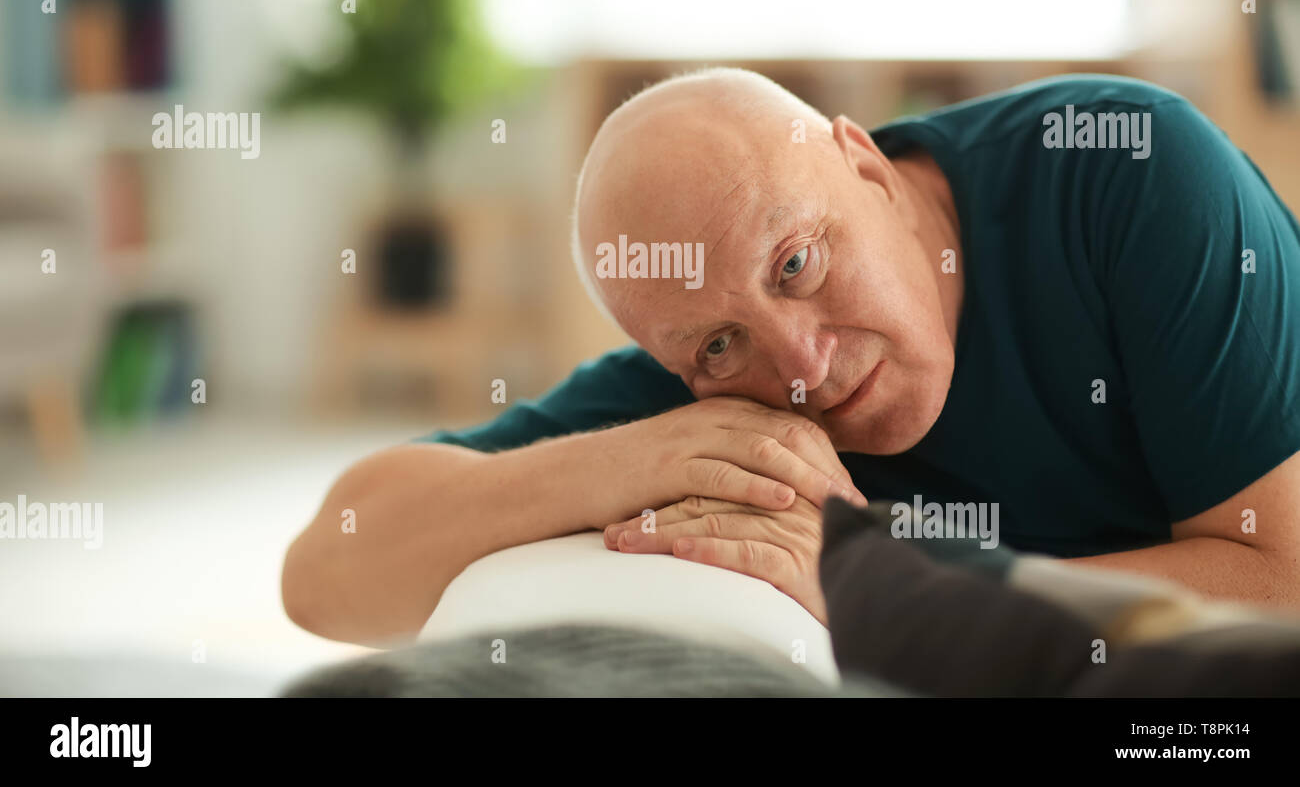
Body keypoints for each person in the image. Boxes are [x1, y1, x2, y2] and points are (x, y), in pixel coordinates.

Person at [283, 68, 1300, 645]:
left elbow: (1282, 583)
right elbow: (324, 570)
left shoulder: (1131, 172)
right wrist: (633, 458)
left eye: (798, 261)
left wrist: (902, 589)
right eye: (718, 345)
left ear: (866, 164)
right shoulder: (712, 393)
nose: (801, 364)